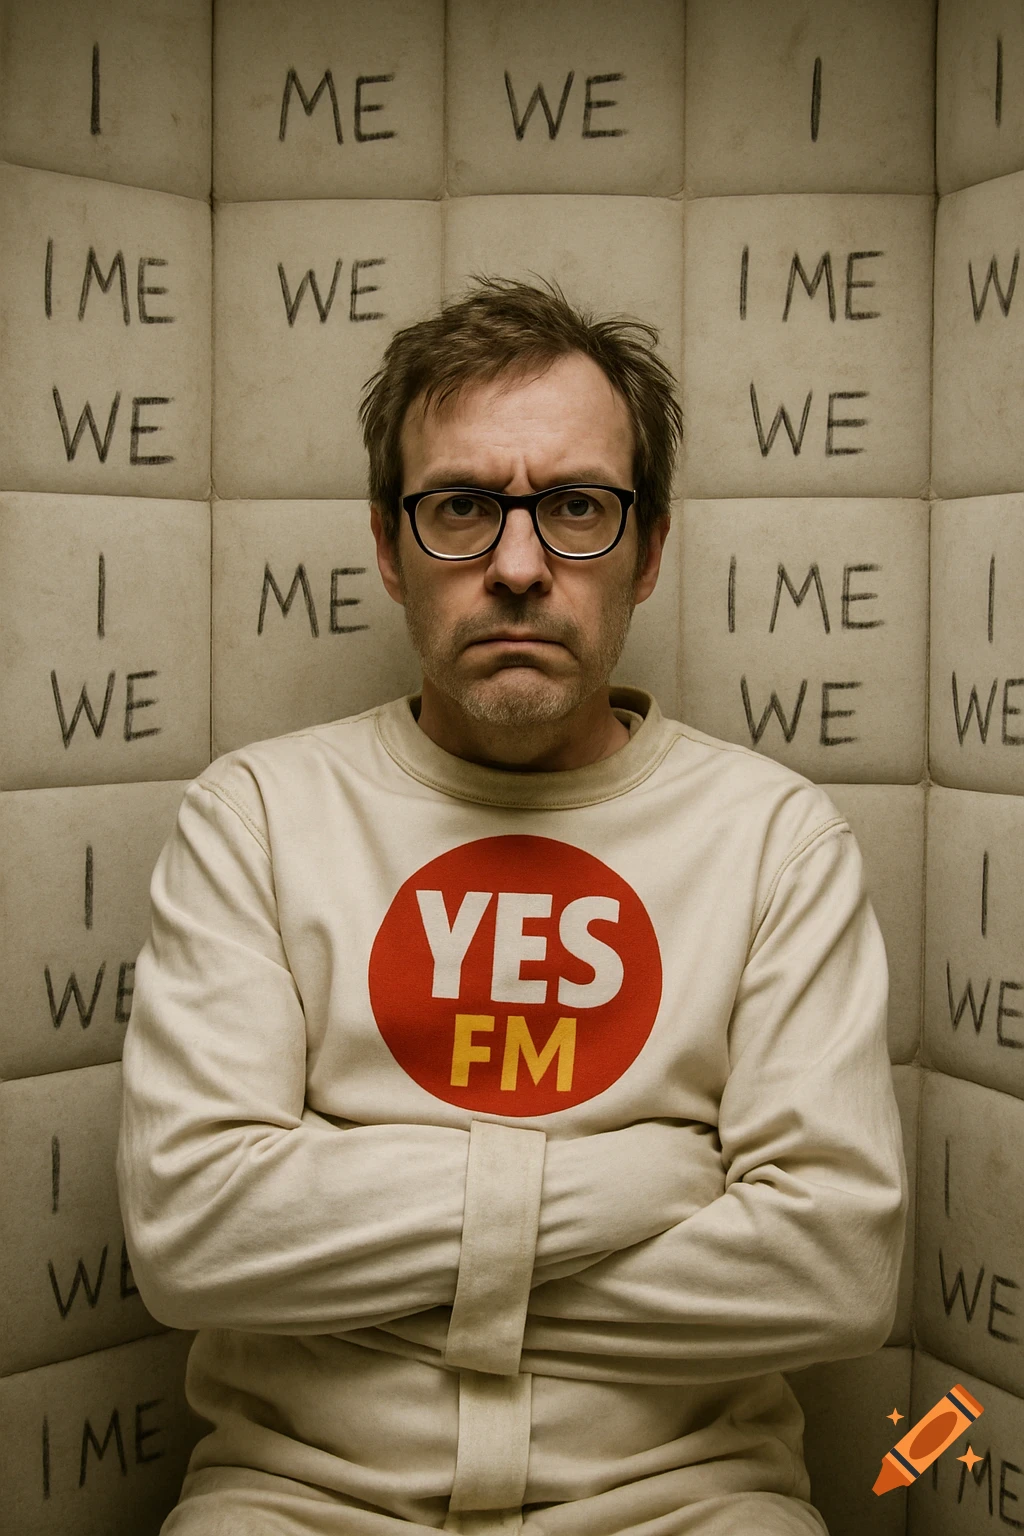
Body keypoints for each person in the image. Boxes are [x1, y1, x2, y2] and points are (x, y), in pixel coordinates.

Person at [117, 276, 908, 1536]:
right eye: (463, 508)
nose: (521, 566)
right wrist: (654, 1184)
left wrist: (362, 1246)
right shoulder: (256, 816)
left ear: (649, 551)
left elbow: (835, 1274)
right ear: (388, 546)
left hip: (689, 1505)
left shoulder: (773, 839)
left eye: (578, 508)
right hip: (297, 1500)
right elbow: (194, 1240)